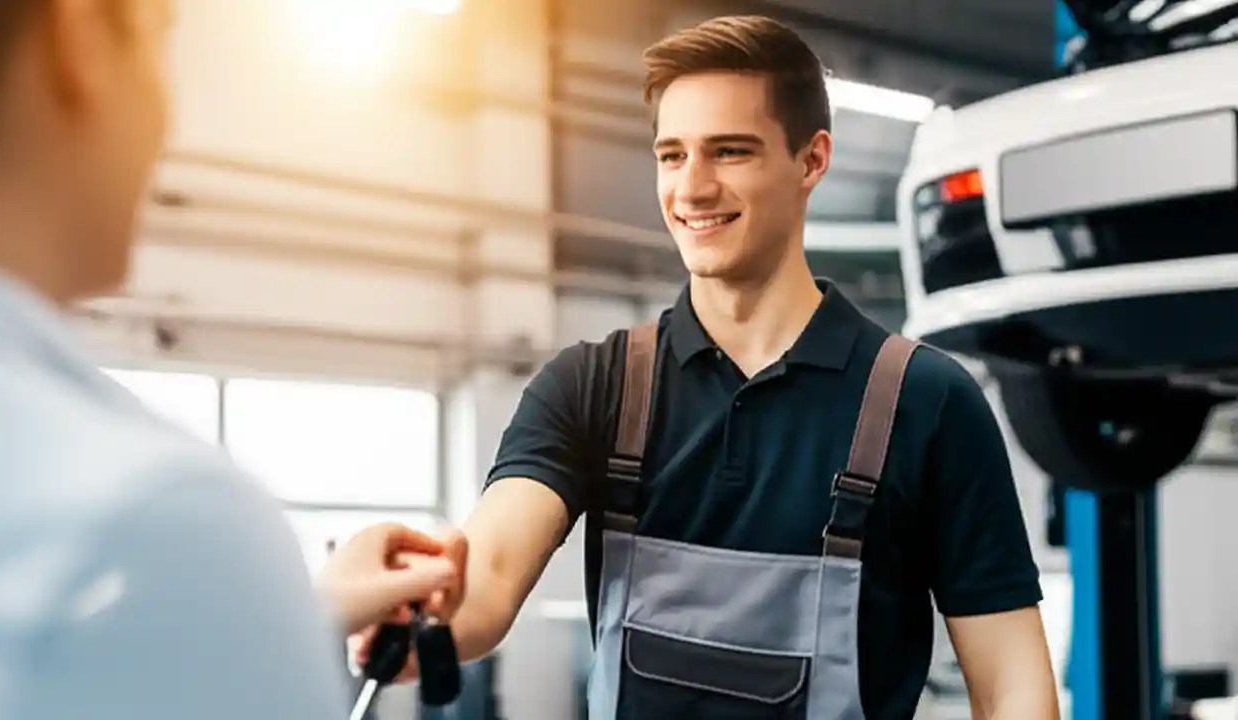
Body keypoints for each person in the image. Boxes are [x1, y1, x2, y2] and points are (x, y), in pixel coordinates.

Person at [394, 14, 1060, 720]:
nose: (692, 189)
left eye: (729, 152)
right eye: (672, 155)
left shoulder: (927, 403)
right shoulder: (595, 387)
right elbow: (489, 578)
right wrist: (405, 616)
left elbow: (1012, 682)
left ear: (811, 160)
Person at [0, 1, 465, 717]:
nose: (167, 117)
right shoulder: (150, 527)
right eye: (160, 42)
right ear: (80, 41)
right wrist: (239, 597)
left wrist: (300, 609)